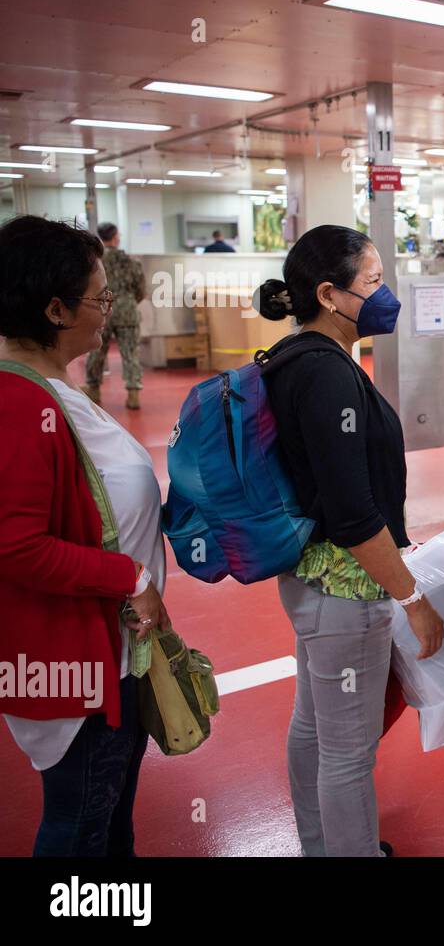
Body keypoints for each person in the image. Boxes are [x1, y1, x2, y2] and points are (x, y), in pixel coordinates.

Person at [256, 225, 444, 857]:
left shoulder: (295, 358)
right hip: (345, 588)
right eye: (374, 282)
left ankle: (320, 847)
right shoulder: (328, 375)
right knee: (347, 752)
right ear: (331, 294)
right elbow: (354, 512)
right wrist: (412, 598)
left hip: (308, 576)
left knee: (313, 726)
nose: (386, 295)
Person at [0, 215, 168, 856]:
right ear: (53, 309)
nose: (106, 313)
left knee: (105, 823)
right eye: (98, 300)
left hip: (106, 649)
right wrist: (130, 576)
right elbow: (14, 543)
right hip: (76, 662)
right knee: (78, 830)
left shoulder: (53, 389)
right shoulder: (21, 404)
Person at [82, 222, 146, 410]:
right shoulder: (131, 261)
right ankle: (133, 394)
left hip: (102, 309)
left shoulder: (95, 262)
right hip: (128, 311)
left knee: (96, 350)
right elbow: (140, 290)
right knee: (130, 353)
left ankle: (93, 388)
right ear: (116, 237)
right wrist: (129, 301)